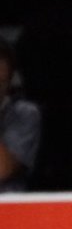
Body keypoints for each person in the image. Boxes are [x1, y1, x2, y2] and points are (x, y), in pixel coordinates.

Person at [0, 36, 41, 193]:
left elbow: (1, 169)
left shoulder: (25, 114)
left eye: (0, 82)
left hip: (8, 211)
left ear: (10, 81)